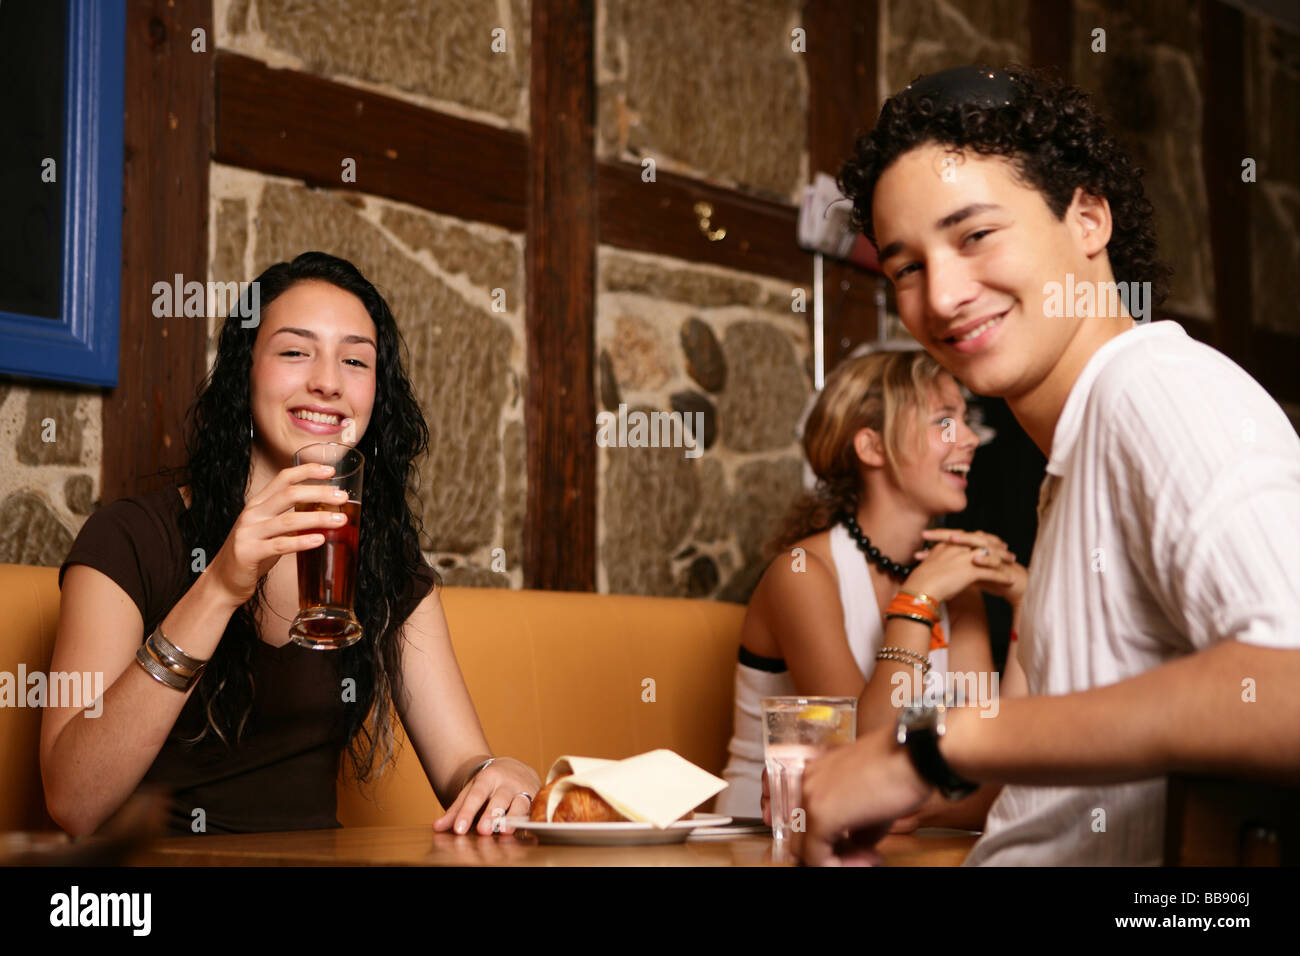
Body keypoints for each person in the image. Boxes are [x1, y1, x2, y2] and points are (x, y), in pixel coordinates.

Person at [797, 65, 1300, 865]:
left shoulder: (1156, 391)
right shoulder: (1073, 457)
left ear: (1089, 218)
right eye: (907, 268)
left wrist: (931, 747)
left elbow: (1288, 688)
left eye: (975, 235)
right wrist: (894, 778)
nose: (944, 295)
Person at [43, 251, 540, 837]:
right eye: (295, 351)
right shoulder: (127, 538)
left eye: (355, 359)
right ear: (245, 372)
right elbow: (73, 800)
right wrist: (221, 586)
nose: (327, 382)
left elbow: (462, 766)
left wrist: (498, 773)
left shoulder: (380, 556)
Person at [715, 349, 1027, 822]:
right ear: (872, 447)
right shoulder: (800, 575)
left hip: (898, 845)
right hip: (766, 842)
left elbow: (987, 764)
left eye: (966, 420)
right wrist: (917, 600)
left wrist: (1026, 601)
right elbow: (864, 759)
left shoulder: (957, 585)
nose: (968, 439)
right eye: (945, 420)